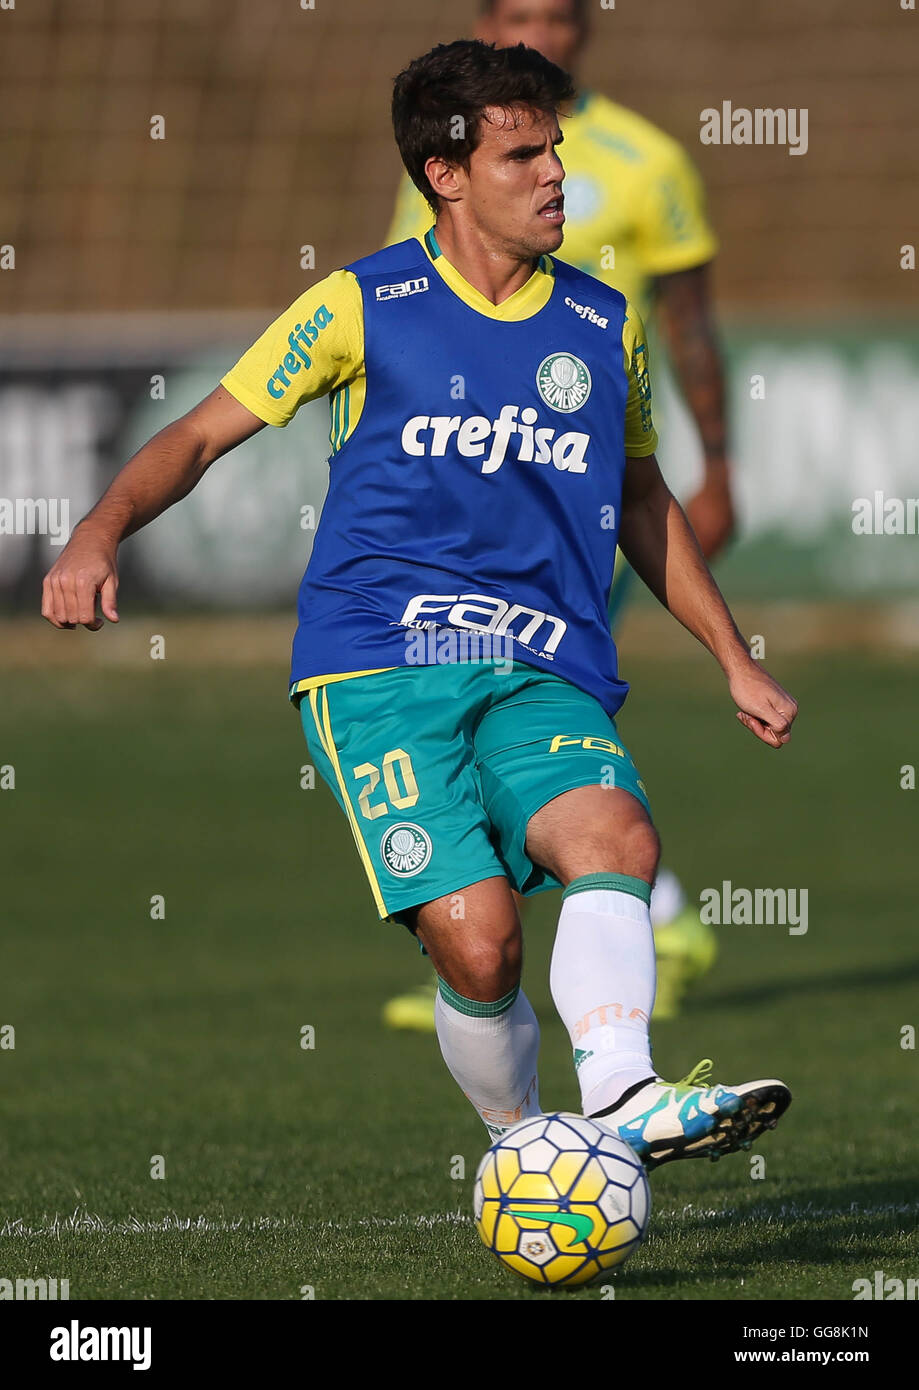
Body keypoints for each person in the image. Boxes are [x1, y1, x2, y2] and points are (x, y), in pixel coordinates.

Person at [42, 38, 796, 1169]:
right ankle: (522, 1143)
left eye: (557, 149)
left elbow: (641, 498)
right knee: (480, 949)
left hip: (545, 662)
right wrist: (98, 531)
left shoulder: (600, 326)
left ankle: (627, 1091)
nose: (556, 176)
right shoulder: (361, 303)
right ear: (445, 174)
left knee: (617, 837)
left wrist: (732, 657)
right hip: (378, 667)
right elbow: (201, 433)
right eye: (523, 155)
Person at [383, 0, 732, 1031]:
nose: (537, 30)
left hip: (584, 487)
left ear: (588, 29)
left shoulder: (643, 161)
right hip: (468, 505)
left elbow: (691, 322)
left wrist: (717, 466)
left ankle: (629, 918)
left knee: (553, 695)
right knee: (505, 704)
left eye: (557, 14)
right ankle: (499, 937)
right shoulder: (455, 156)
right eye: (515, 11)